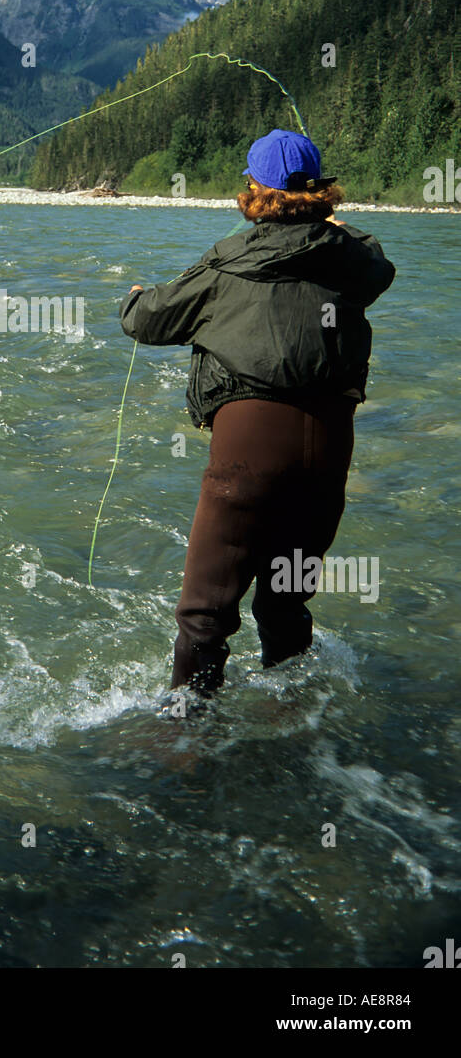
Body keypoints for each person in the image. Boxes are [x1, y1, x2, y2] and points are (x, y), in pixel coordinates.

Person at [118, 127, 396, 696]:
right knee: (286, 602)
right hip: (326, 457)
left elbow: (148, 322)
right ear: (320, 190)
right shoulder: (351, 261)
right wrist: (338, 233)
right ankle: (294, 729)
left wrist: (134, 296)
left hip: (248, 461)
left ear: (253, 191)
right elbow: (378, 267)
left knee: (205, 615)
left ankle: (183, 751)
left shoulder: (226, 265)